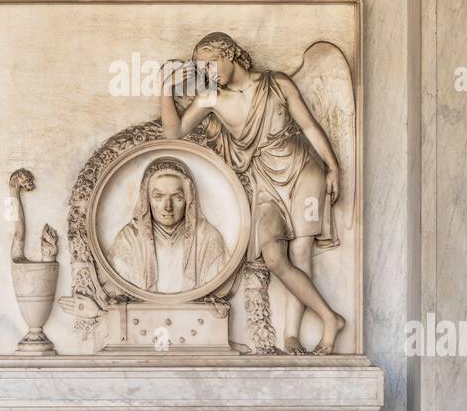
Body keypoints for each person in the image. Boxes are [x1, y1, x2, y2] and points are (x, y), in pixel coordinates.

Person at [160, 32, 345, 354]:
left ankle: (292, 336)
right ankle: (330, 317)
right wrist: (165, 91)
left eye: (210, 63)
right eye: (201, 68)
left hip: (303, 170)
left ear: (229, 53)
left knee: (301, 254)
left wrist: (333, 167)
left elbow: (311, 127)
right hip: (263, 182)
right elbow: (173, 133)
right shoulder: (210, 99)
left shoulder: (278, 83)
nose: (207, 72)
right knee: (274, 256)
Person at [108, 156, 227, 294]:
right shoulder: (128, 240)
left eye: (177, 197)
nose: (168, 207)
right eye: (159, 197)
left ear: (188, 200)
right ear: (146, 200)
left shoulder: (208, 239)